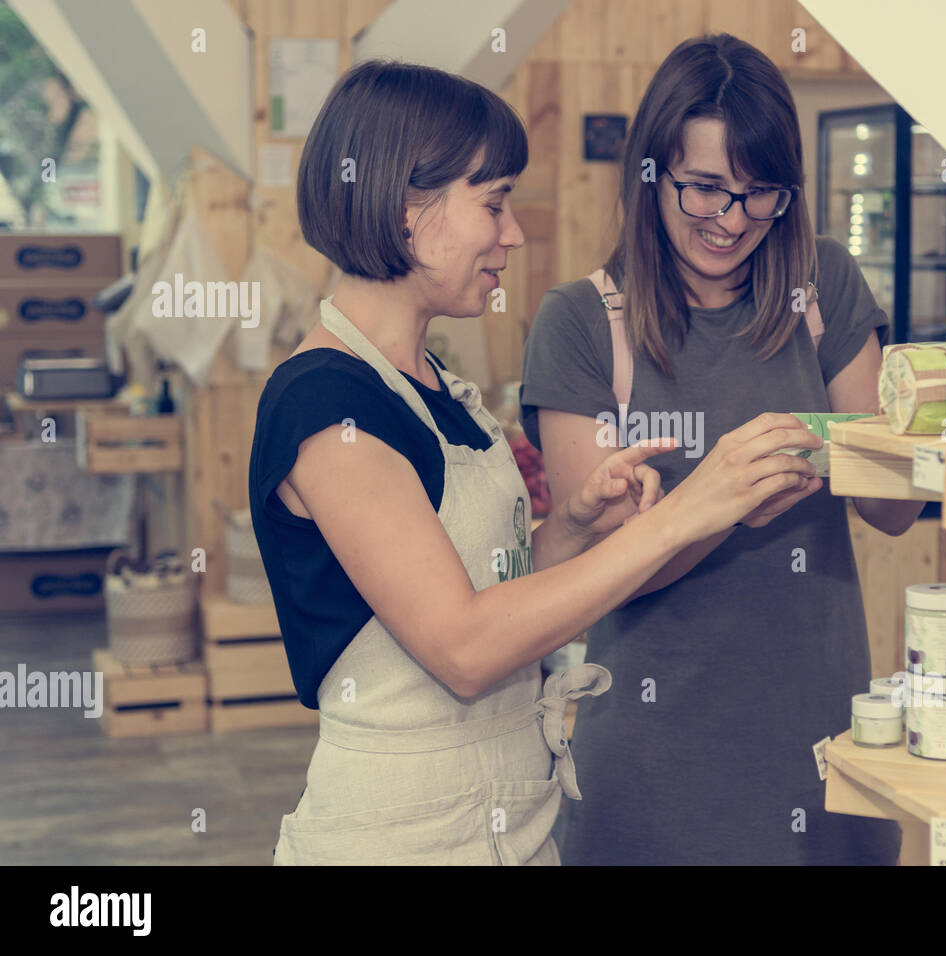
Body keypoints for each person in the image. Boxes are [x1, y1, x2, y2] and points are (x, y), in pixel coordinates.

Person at [248, 59, 823, 865]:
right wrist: (693, 511)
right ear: (408, 207)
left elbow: (482, 584)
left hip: (500, 825)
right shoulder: (326, 407)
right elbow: (466, 647)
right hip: (401, 838)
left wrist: (573, 529)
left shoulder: (432, 383)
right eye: (494, 203)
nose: (513, 233)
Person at [521, 34, 925, 865]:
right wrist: (723, 504)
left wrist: (904, 438)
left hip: (822, 736)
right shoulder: (580, 325)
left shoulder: (827, 287)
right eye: (704, 187)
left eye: (760, 193)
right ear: (650, 172)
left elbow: (896, 510)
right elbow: (589, 579)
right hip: (657, 759)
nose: (731, 220)